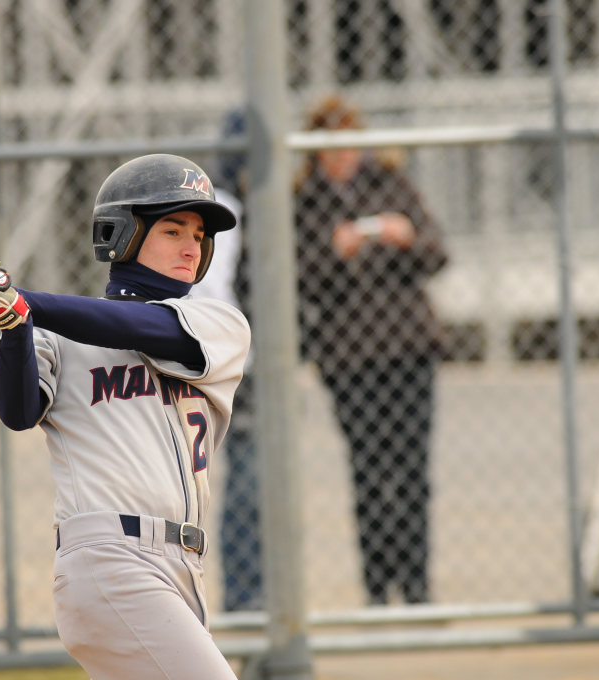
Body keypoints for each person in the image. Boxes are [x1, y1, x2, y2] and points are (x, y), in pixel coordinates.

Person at [0, 153, 250, 678]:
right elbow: (17, 411)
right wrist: (14, 323)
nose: (191, 246)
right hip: (109, 559)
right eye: (173, 230)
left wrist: (21, 299)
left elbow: (146, 329)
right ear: (122, 234)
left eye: (199, 235)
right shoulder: (56, 334)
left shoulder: (217, 323)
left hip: (183, 568)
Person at [294, 93, 449, 605]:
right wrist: (336, 253)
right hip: (349, 356)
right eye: (332, 149)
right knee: (368, 470)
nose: (345, 158)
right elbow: (296, 279)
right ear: (315, 153)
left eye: (351, 146)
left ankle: (418, 586)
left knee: (412, 471)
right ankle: (378, 588)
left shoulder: (391, 184)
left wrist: (403, 237)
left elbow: (438, 253)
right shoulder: (304, 201)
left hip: (407, 346)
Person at [191, 111, 264, 612]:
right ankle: (246, 601)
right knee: (244, 488)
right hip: (234, 367)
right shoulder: (229, 212)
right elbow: (213, 296)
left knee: (252, 486)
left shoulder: (248, 209)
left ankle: (255, 599)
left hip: (239, 364)